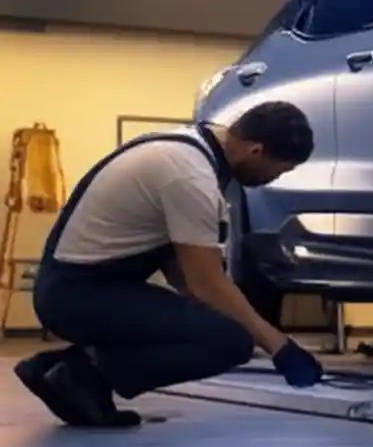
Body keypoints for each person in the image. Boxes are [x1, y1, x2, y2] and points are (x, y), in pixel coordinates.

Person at [12, 101, 325, 427]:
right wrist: (279, 347)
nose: (273, 178)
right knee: (229, 342)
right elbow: (207, 286)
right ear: (256, 150)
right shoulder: (191, 176)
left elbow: (186, 276)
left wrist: (210, 316)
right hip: (77, 295)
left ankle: (59, 369)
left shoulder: (189, 147)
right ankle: (84, 374)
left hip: (80, 287)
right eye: (280, 169)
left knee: (216, 326)